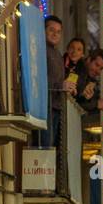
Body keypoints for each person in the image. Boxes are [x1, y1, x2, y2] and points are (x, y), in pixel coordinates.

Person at [44, 14, 65, 150]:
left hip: (56, 107)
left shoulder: (57, 54)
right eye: (51, 30)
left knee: (51, 147)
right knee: (45, 147)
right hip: (45, 107)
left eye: (58, 32)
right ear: (44, 30)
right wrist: (60, 86)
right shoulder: (42, 50)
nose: (55, 34)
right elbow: (40, 78)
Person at [75, 49, 103, 114]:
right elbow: (77, 102)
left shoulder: (91, 80)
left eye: (101, 68)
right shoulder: (76, 69)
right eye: (96, 65)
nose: (98, 71)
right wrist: (96, 104)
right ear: (89, 60)